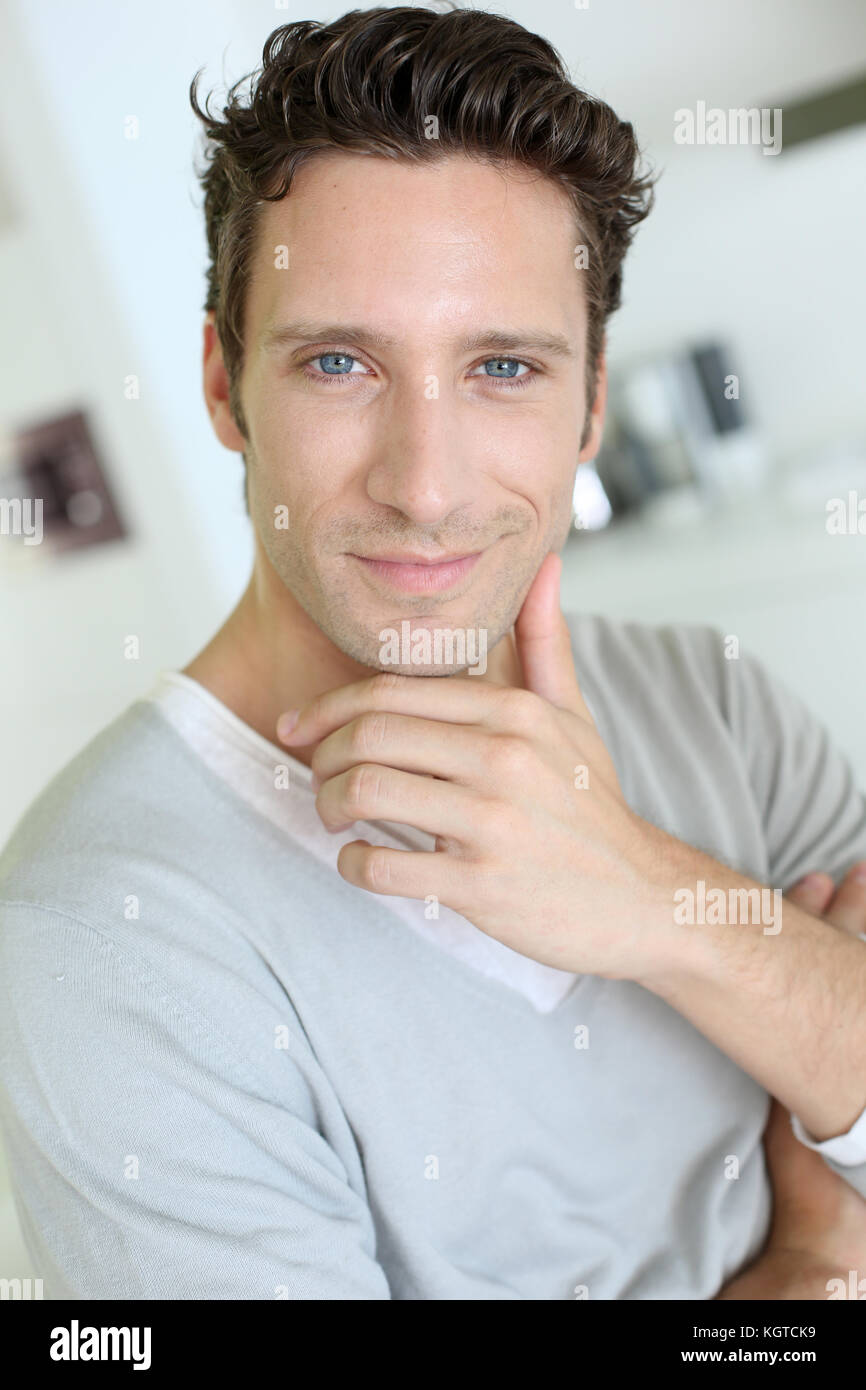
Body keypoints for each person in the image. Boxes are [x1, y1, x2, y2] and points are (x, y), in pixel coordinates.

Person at [2, 5, 866, 1301]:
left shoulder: (716, 701)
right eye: (338, 362)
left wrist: (658, 900)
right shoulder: (98, 933)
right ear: (225, 385)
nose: (425, 486)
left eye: (503, 367)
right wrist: (806, 1267)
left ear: (589, 402)